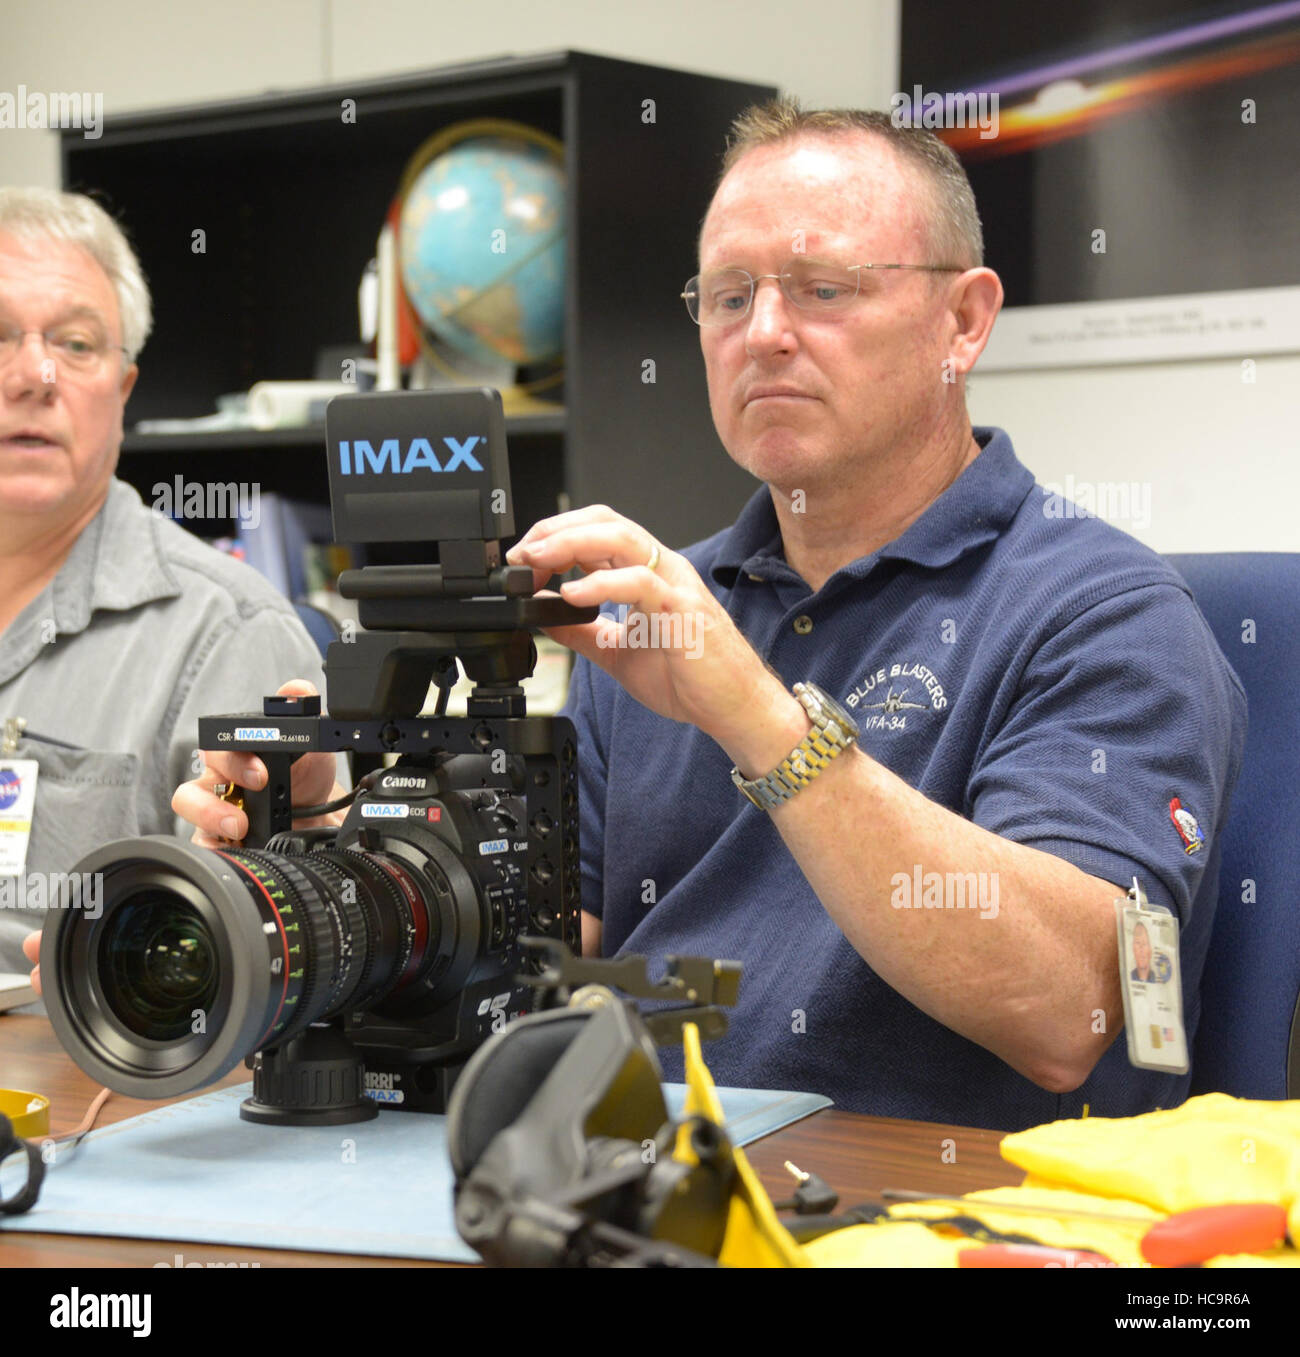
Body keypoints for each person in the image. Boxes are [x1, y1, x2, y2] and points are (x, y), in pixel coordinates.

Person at [174, 99, 1246, 1132]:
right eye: (729, 296)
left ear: (961, 321)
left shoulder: (1104, 614)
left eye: (822, 288)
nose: (764, 332)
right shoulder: (647, 615)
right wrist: (330, 850)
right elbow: (533, 968)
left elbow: (1071, 1013)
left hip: (921, 1212)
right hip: (635, 1174)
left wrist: (756, 714)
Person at [1, 187, 330, 985]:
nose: (35, 374)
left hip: (77, 1092)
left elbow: (276, 974)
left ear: (123, 386)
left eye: (76, 344)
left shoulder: (231, 630)